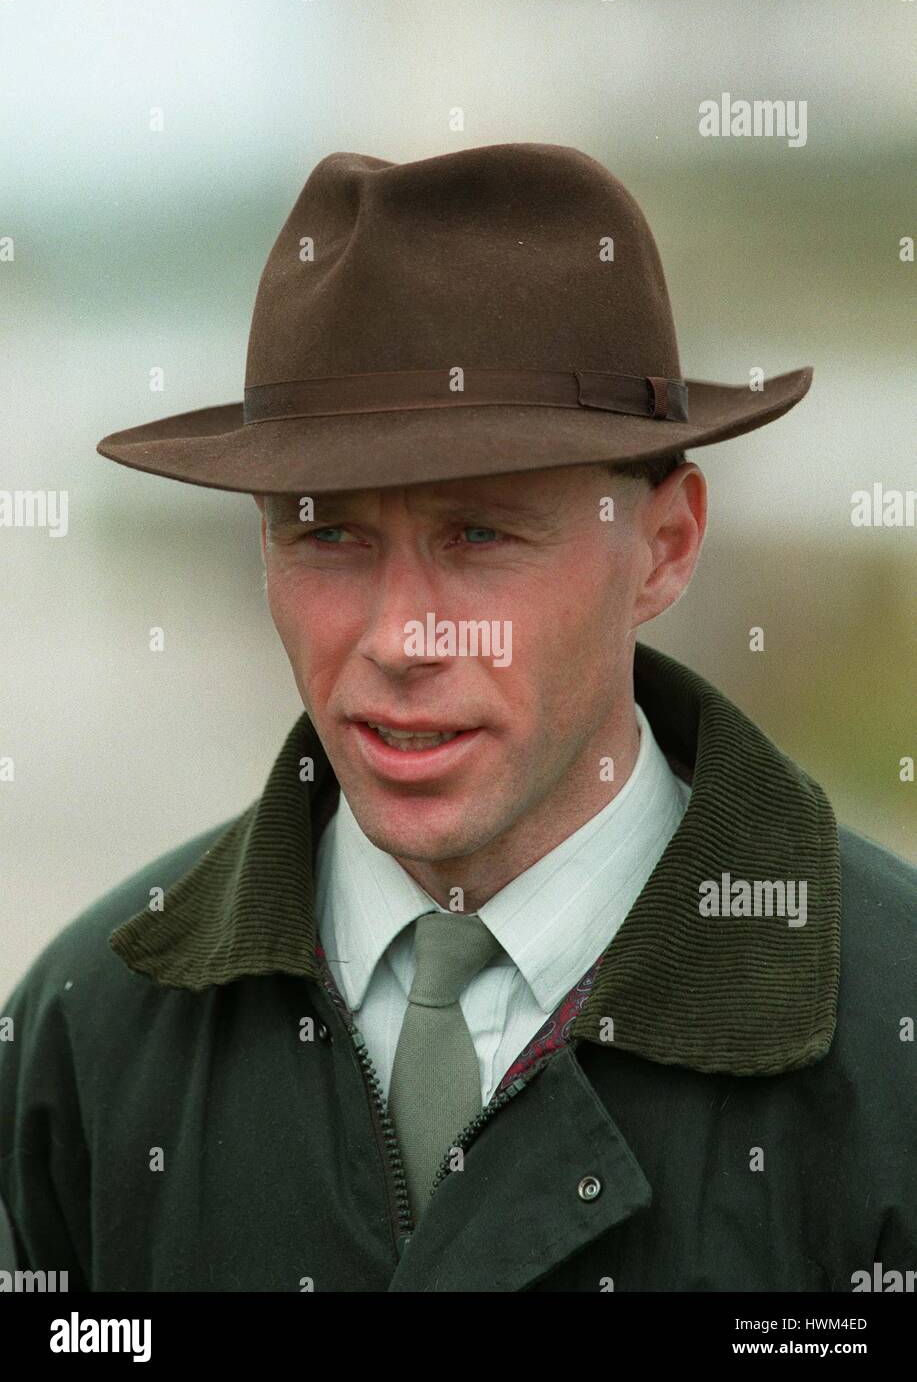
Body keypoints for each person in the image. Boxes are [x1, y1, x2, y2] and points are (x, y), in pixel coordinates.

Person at [1, 143, 913, 1292]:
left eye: (480, 536)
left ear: (665, 546)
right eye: (326, 534)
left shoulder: (891, 1035)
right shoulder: (87, 1038)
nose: (401, 637)